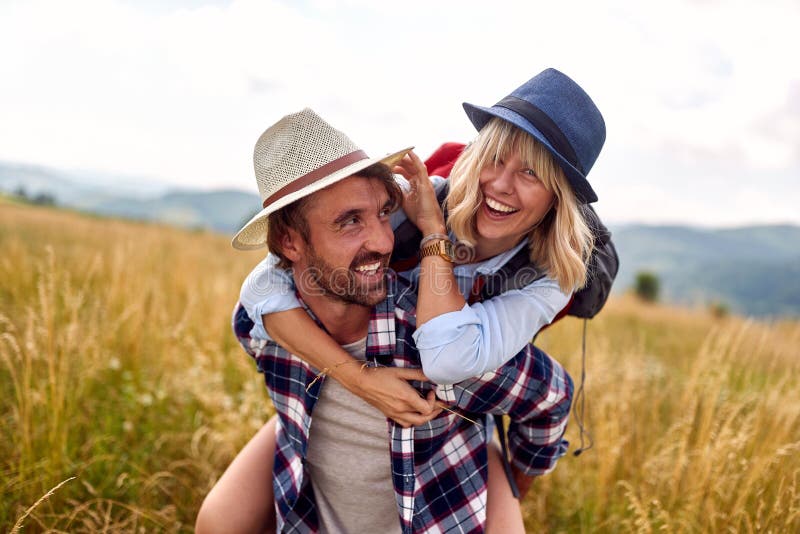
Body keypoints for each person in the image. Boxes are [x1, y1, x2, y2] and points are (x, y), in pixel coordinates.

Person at [196, 108, 575, 533]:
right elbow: (259, 293)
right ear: (289, 243)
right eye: (349, 222)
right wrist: (355, 379)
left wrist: (510, 484)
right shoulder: (265, 328)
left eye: (381, 214)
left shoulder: (430, 340)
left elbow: (551, 395)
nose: (382, 240)